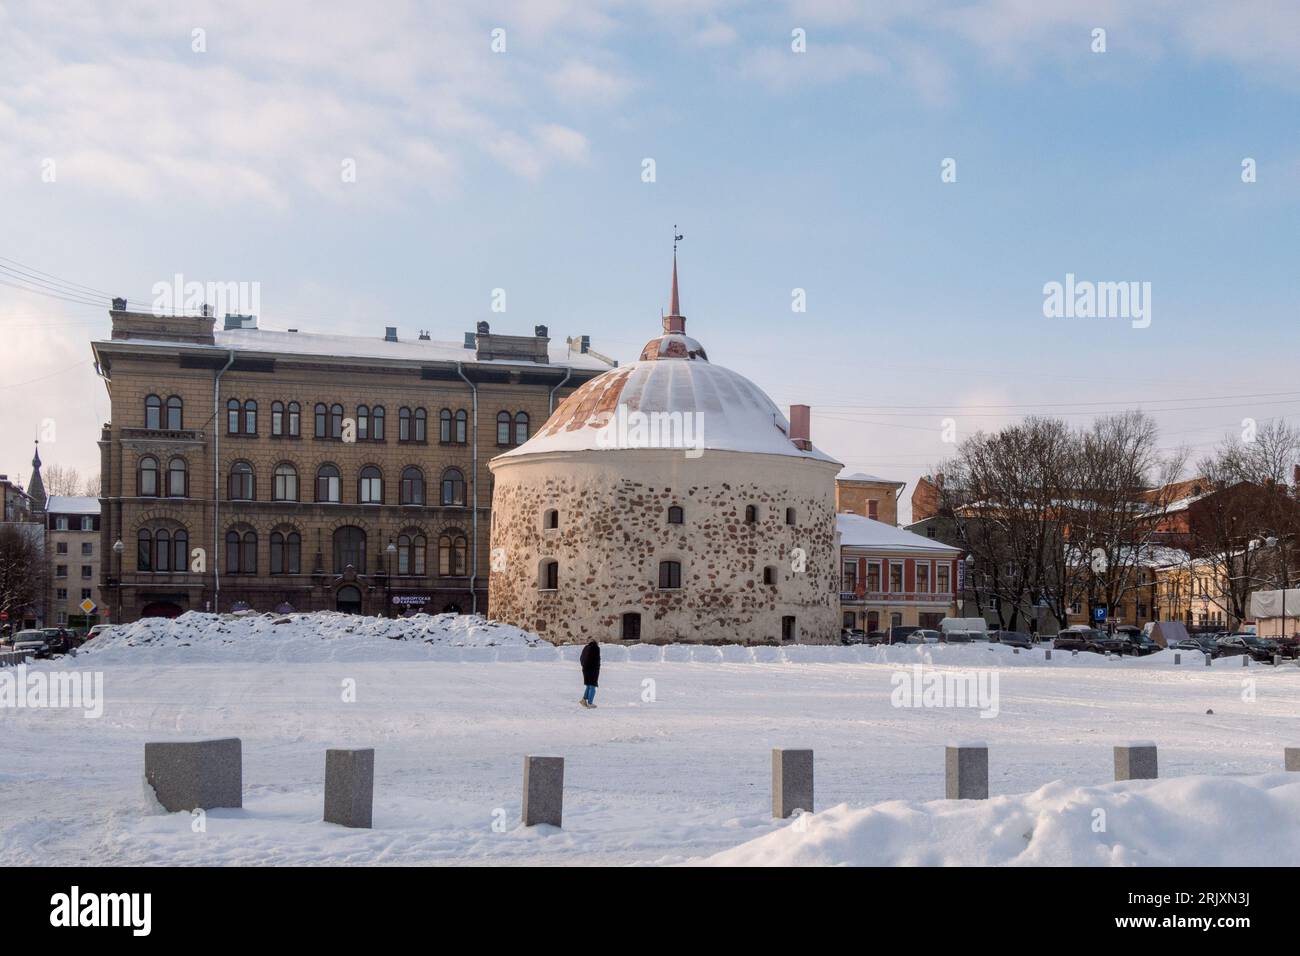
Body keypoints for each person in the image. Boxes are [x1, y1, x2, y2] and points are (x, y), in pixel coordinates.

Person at [579, 639, 600, 708]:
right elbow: (596, 660)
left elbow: (581, 658)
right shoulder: (596, 648)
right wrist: (596, 667)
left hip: (585, 669)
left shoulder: (586, 647)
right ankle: (590, 703)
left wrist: (584, 665)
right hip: (593, 670)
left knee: (589, 685)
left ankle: (584, 700)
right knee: (593, 686)